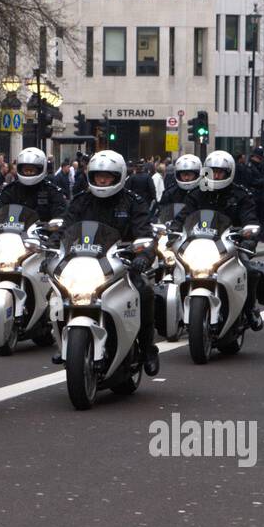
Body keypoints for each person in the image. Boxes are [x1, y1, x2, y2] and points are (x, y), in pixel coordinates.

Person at [66, 150, 161, 376]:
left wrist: (142, 256)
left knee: (144, 291)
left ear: (119, 176)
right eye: (98, 176)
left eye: (107, 177)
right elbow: (64, 231)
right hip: (85, 265)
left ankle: (148, 348)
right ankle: (66, 345)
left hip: (122, 267)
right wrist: (51, 252)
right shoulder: (80, 201)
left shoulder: (132, 202)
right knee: (58, 293)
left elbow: (145, 235)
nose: (102, 181)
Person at [171, 150, 263, 330]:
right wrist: (173, 230)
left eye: (220, 172)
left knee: (250, 272)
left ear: (229, 173)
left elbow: (250, 219)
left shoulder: (240, 195)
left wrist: (248, 238)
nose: (216, 175)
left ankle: (250, 309)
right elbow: (183, 216)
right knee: (174, 271)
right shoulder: (197, 193)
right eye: (212, 171)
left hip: (230, 245)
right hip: (201, 244)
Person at [0, 148, 68, 222]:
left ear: (41, 169)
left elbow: (61, 216)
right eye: (25, 170)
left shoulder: (52, 192)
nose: (28, 173)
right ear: (19, 169)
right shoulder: (10, 191)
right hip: (14, 231)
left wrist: (51, 226)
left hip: (43, 232)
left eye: (31, 170)